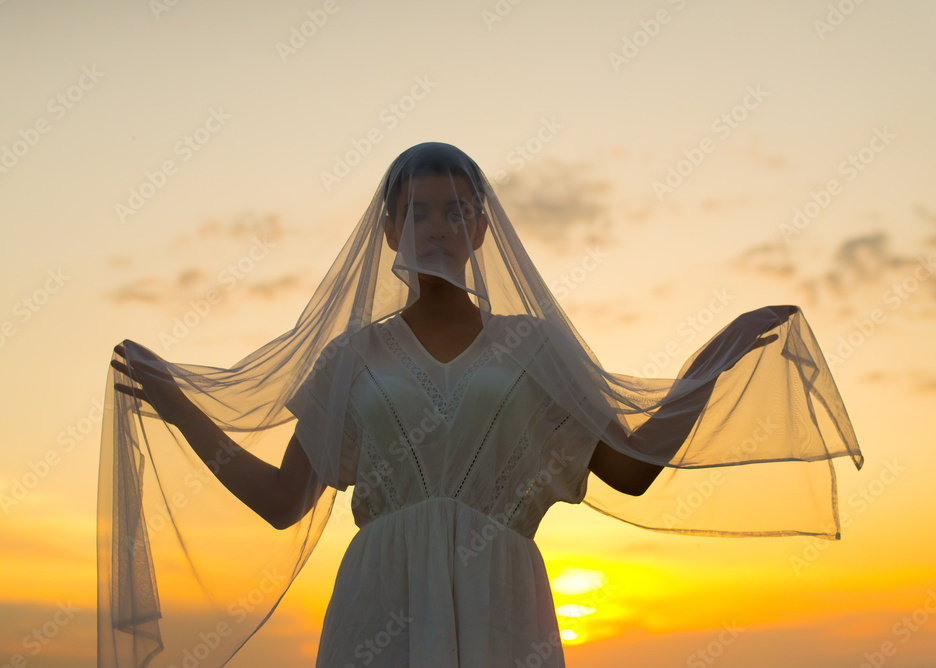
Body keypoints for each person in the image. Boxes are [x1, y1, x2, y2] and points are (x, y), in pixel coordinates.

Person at [99, 142, 863, 667]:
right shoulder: (352, 358)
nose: (439, 226)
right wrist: (177, 404)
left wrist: (718, 354)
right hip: (379, 606)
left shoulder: (534, 348)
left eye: (457, 211)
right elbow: (280, 498)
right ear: (390, 229)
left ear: (482, 228)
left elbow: (631, 469)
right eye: (421, 212)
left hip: (503, 602)